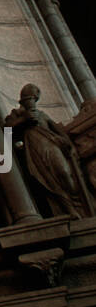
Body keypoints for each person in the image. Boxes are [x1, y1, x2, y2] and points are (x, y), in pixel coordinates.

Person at [5, 83, 93, 218]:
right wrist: (24, 119)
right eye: (29, 99)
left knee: (64, 172)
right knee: (47, 178)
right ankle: (68, 209)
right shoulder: (15, 114)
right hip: (35, 149)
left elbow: (58, 131)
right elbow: (7, 129)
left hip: (52, 146)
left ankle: (79, 206)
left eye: (33, 99)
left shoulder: (42, 115)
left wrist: (68, 145)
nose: (31, 102)